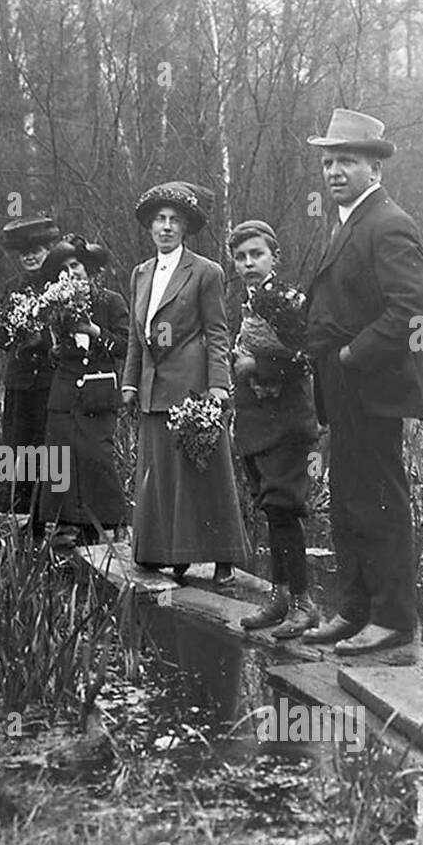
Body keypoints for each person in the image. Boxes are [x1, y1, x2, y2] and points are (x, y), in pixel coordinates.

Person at [301, 109, 423, 654]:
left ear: (374, 170)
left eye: (347, 161)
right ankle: (356, 610)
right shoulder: (351, 222)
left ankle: (393, 620)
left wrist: (352, 356)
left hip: (373, 385)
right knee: (349, 498)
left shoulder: (388, 222)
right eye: (329, 161)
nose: (335, 171)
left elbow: (413, 308)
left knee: (378, 498)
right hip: (346, 386)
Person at [121, 182, 249, 584]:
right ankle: (169, 552)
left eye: (175, 221)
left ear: (186, 228)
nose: (166, 227)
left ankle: (223, 558)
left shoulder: (205, 271)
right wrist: (129, 383)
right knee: (160, 472)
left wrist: (218, 387)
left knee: (206, 471)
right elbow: (135, 335)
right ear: (149, 226)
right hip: (152, 386)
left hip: (193, 386)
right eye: (160, 219)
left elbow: (216, 332)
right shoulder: (140, 273)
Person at [227, 219, 321, 639]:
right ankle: (280, 597)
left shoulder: (288, 300)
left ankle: (304, 604)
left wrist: (256, 366)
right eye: (241, 257)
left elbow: (307, 353)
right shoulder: (248, 302)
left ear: (274, 257)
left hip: (286, 422)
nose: (249, 263)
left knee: (284, 508)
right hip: (256, 422)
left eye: (256, 255)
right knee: (271, 508)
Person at [37, 235, 129, 547]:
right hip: (66, 389)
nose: (70, 273)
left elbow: (125, 346)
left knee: (96, 454)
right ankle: (66, 522)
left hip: (98, 391)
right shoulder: (55, 305)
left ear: (88, 268)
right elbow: (52, 353)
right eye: (64, 270)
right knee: (60, 453)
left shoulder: (110, 301)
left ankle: (108, 520)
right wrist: (58, 339)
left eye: (75, 265)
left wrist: (94, 332)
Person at [0, 215, 62, 514]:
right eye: (24, 253)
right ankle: (14, 505)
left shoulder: (61, 287)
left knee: (49, 445)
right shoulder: (12, 287)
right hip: (20, 378)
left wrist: (44, 338)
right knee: (16, 443)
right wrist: (10, 330)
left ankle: (49, 509)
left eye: (37, 250)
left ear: (49, 250)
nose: (30, 256)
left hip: (51, 377)